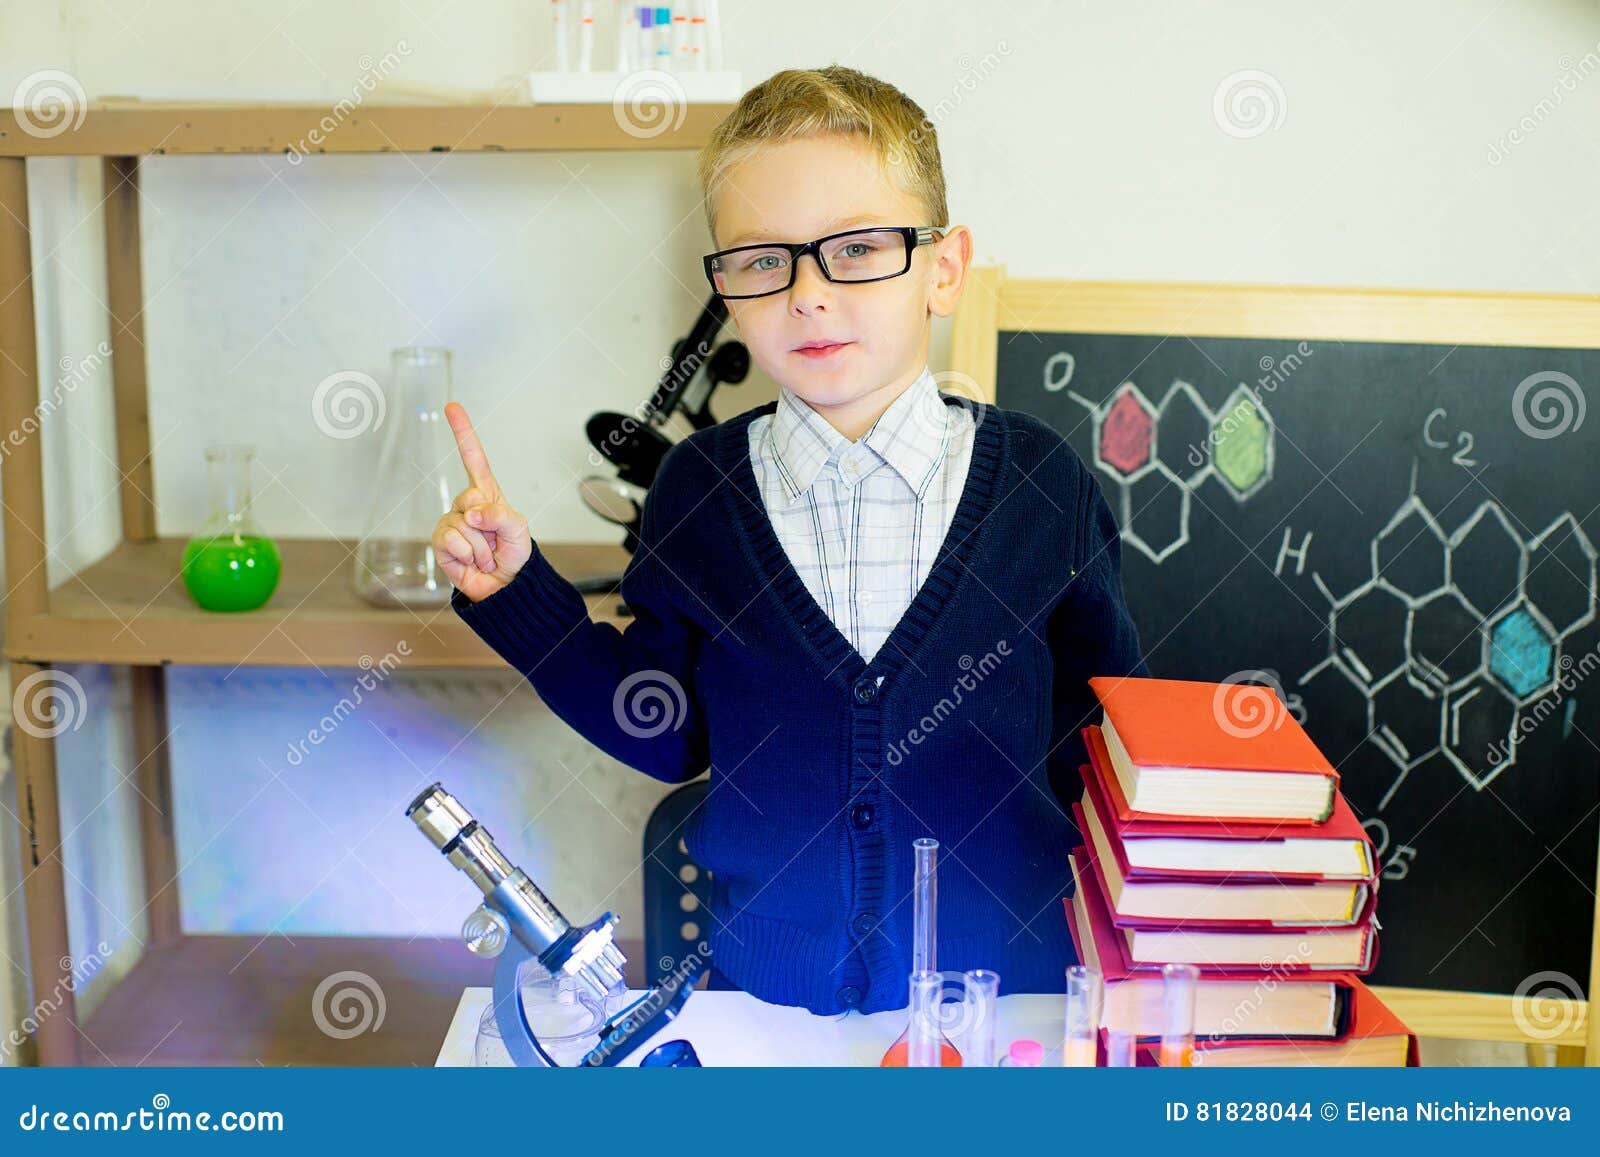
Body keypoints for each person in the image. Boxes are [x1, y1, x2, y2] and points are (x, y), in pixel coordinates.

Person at [433, 65, 1147, 1015]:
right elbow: (668, 730)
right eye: (763, 260)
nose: (806, 294)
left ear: (943, 267)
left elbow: (1106, 736)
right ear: (725, 287)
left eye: (856, 249)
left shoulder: (1038, 484)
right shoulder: (698, 488)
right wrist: (517, 594)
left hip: (1007, 1006)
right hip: (762, 1005)